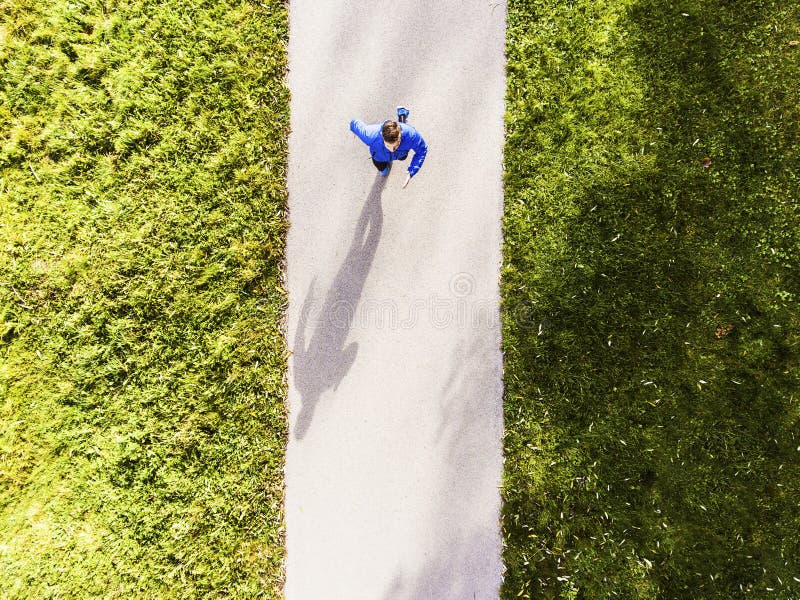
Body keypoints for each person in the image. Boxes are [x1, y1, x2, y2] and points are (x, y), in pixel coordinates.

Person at [350, 106, 428, 189]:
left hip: (401, 154)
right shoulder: (370, 135)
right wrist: (353, 129)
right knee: (383, 172)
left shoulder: (411, 135)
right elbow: (355, 123)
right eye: (387, 145)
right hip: (379, 157)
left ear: (400, 136)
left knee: (403, 157)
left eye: (396, 145)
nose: (391, 150)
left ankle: (402, 115)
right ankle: (402, 114)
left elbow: (422, 151)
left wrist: (412, 170)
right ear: (382, 137)